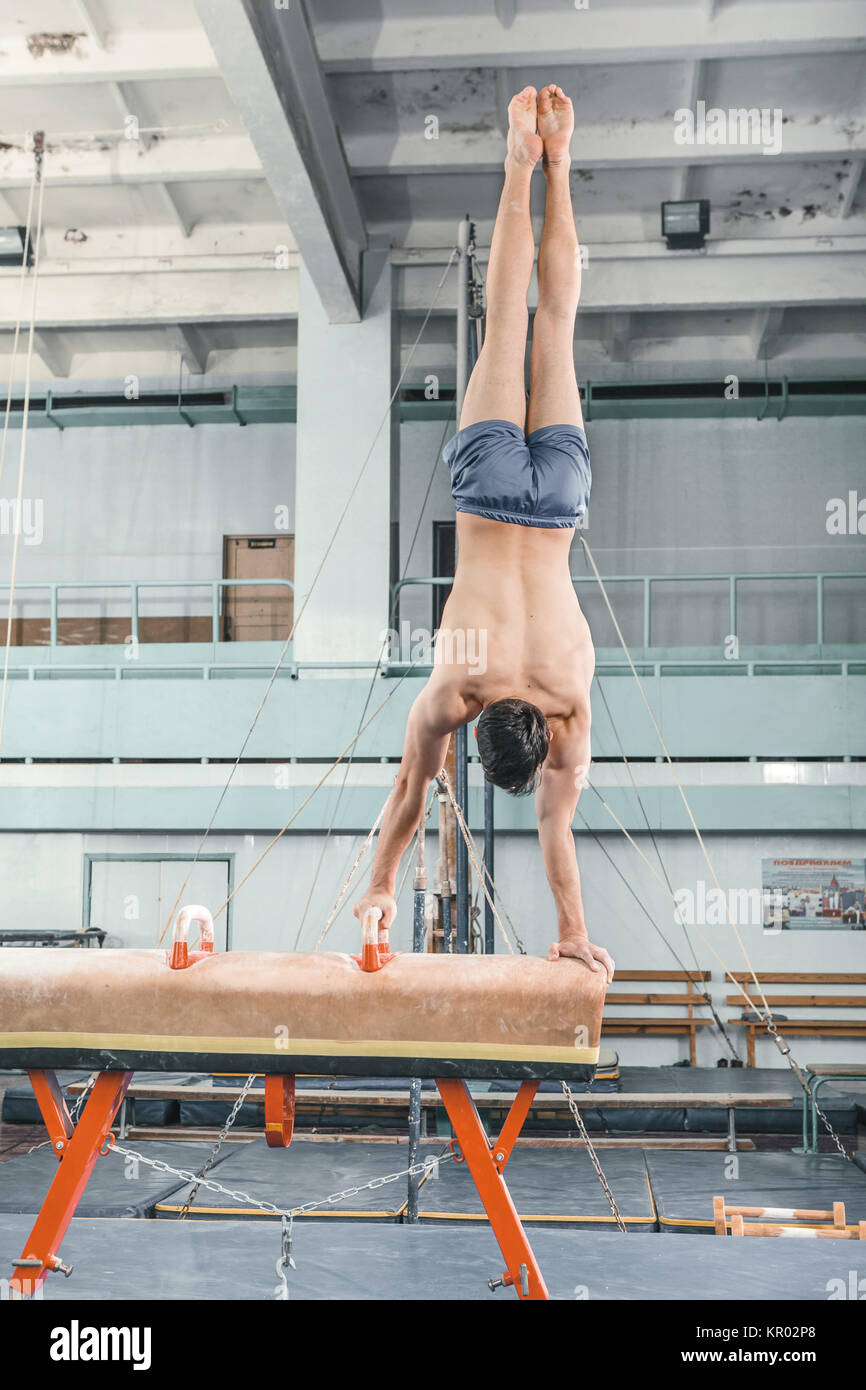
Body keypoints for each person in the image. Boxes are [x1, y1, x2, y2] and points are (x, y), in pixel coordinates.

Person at [354, 85, 613, 983]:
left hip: (558, 503)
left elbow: (556, 823)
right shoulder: (456, 683)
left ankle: (561, 160)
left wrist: (575, 931)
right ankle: (519, 161)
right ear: (480, 729)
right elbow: (407, 795)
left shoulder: (569, 707)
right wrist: (379, 885)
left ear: (537, 732)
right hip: (489, 489)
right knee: (511, 321)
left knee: (558, 329)